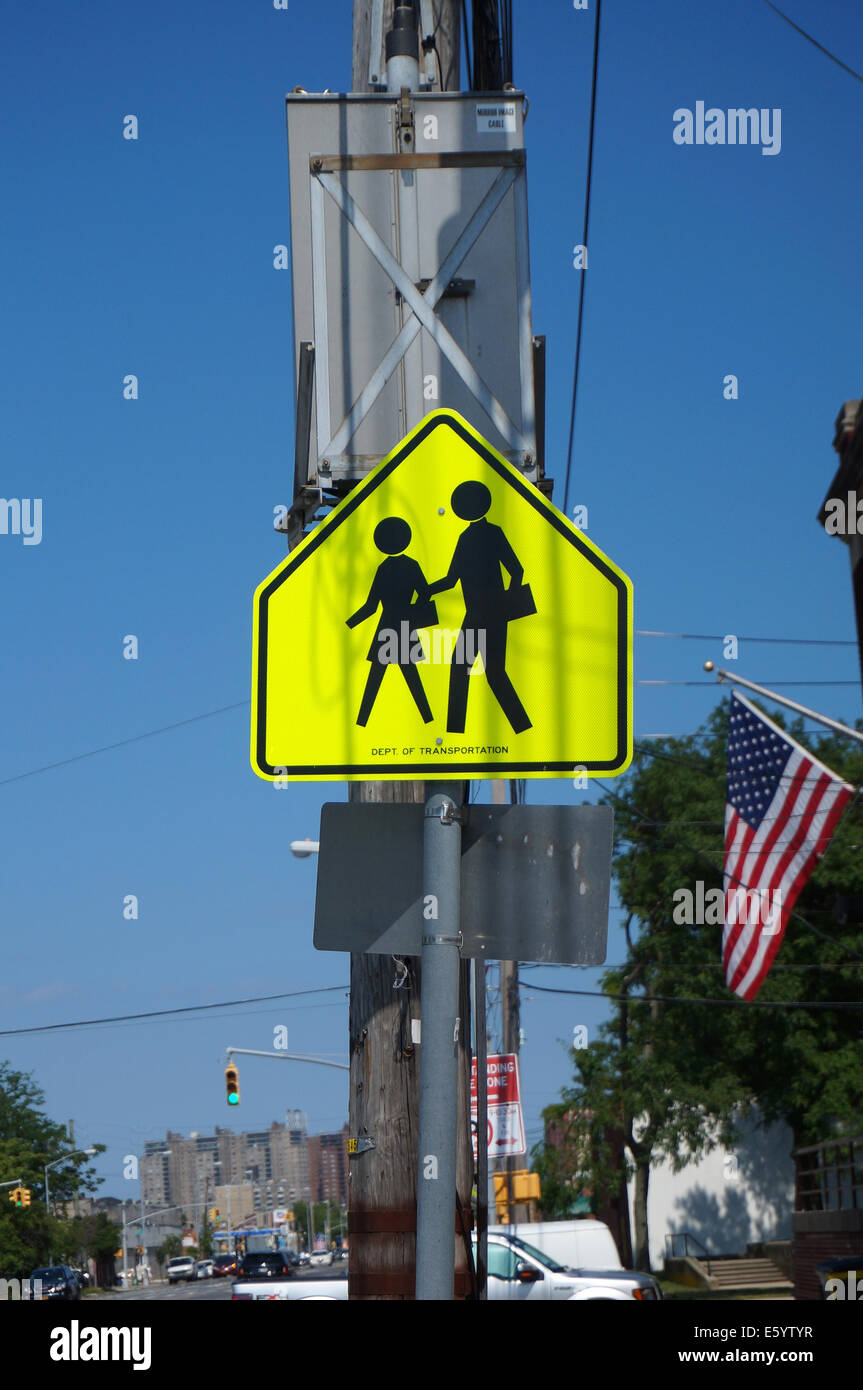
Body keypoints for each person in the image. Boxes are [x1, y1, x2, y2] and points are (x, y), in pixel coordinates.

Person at [429, 481, 532, 734]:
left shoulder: (484, 535)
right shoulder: (471, 537)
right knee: (478, 670)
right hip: (480, 616)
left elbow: (516, 570)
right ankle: (458, 731)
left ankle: (518, 726)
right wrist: (425, 590)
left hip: (485, 615)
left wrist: (505, 603)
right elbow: (452, 579)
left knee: (486, 672)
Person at [346, 516, 436, 726]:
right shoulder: (411, 565)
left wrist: (350, 624)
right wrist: (413, 611)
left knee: (377, 677)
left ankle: (362, 721)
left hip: (387, 628)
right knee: (409, 675)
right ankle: (428, 719)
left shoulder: (384, 569)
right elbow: (425, 593)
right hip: (404, 626)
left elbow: (371, 607)